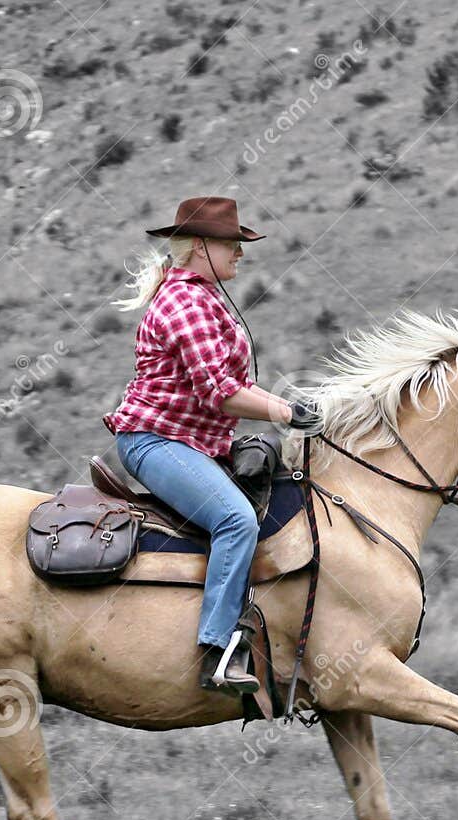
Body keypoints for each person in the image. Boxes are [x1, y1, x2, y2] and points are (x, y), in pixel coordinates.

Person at [103, 196, 318, 696]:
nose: (240, 252)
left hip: (188, 442)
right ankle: (218, 651)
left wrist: (287, 407)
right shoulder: (187, 303)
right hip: (156, 442)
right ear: (200, 246)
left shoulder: (203, 297)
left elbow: (229, 386)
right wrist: (286, 412)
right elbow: (220, 392)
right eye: (231, 244)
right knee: (236, 520)